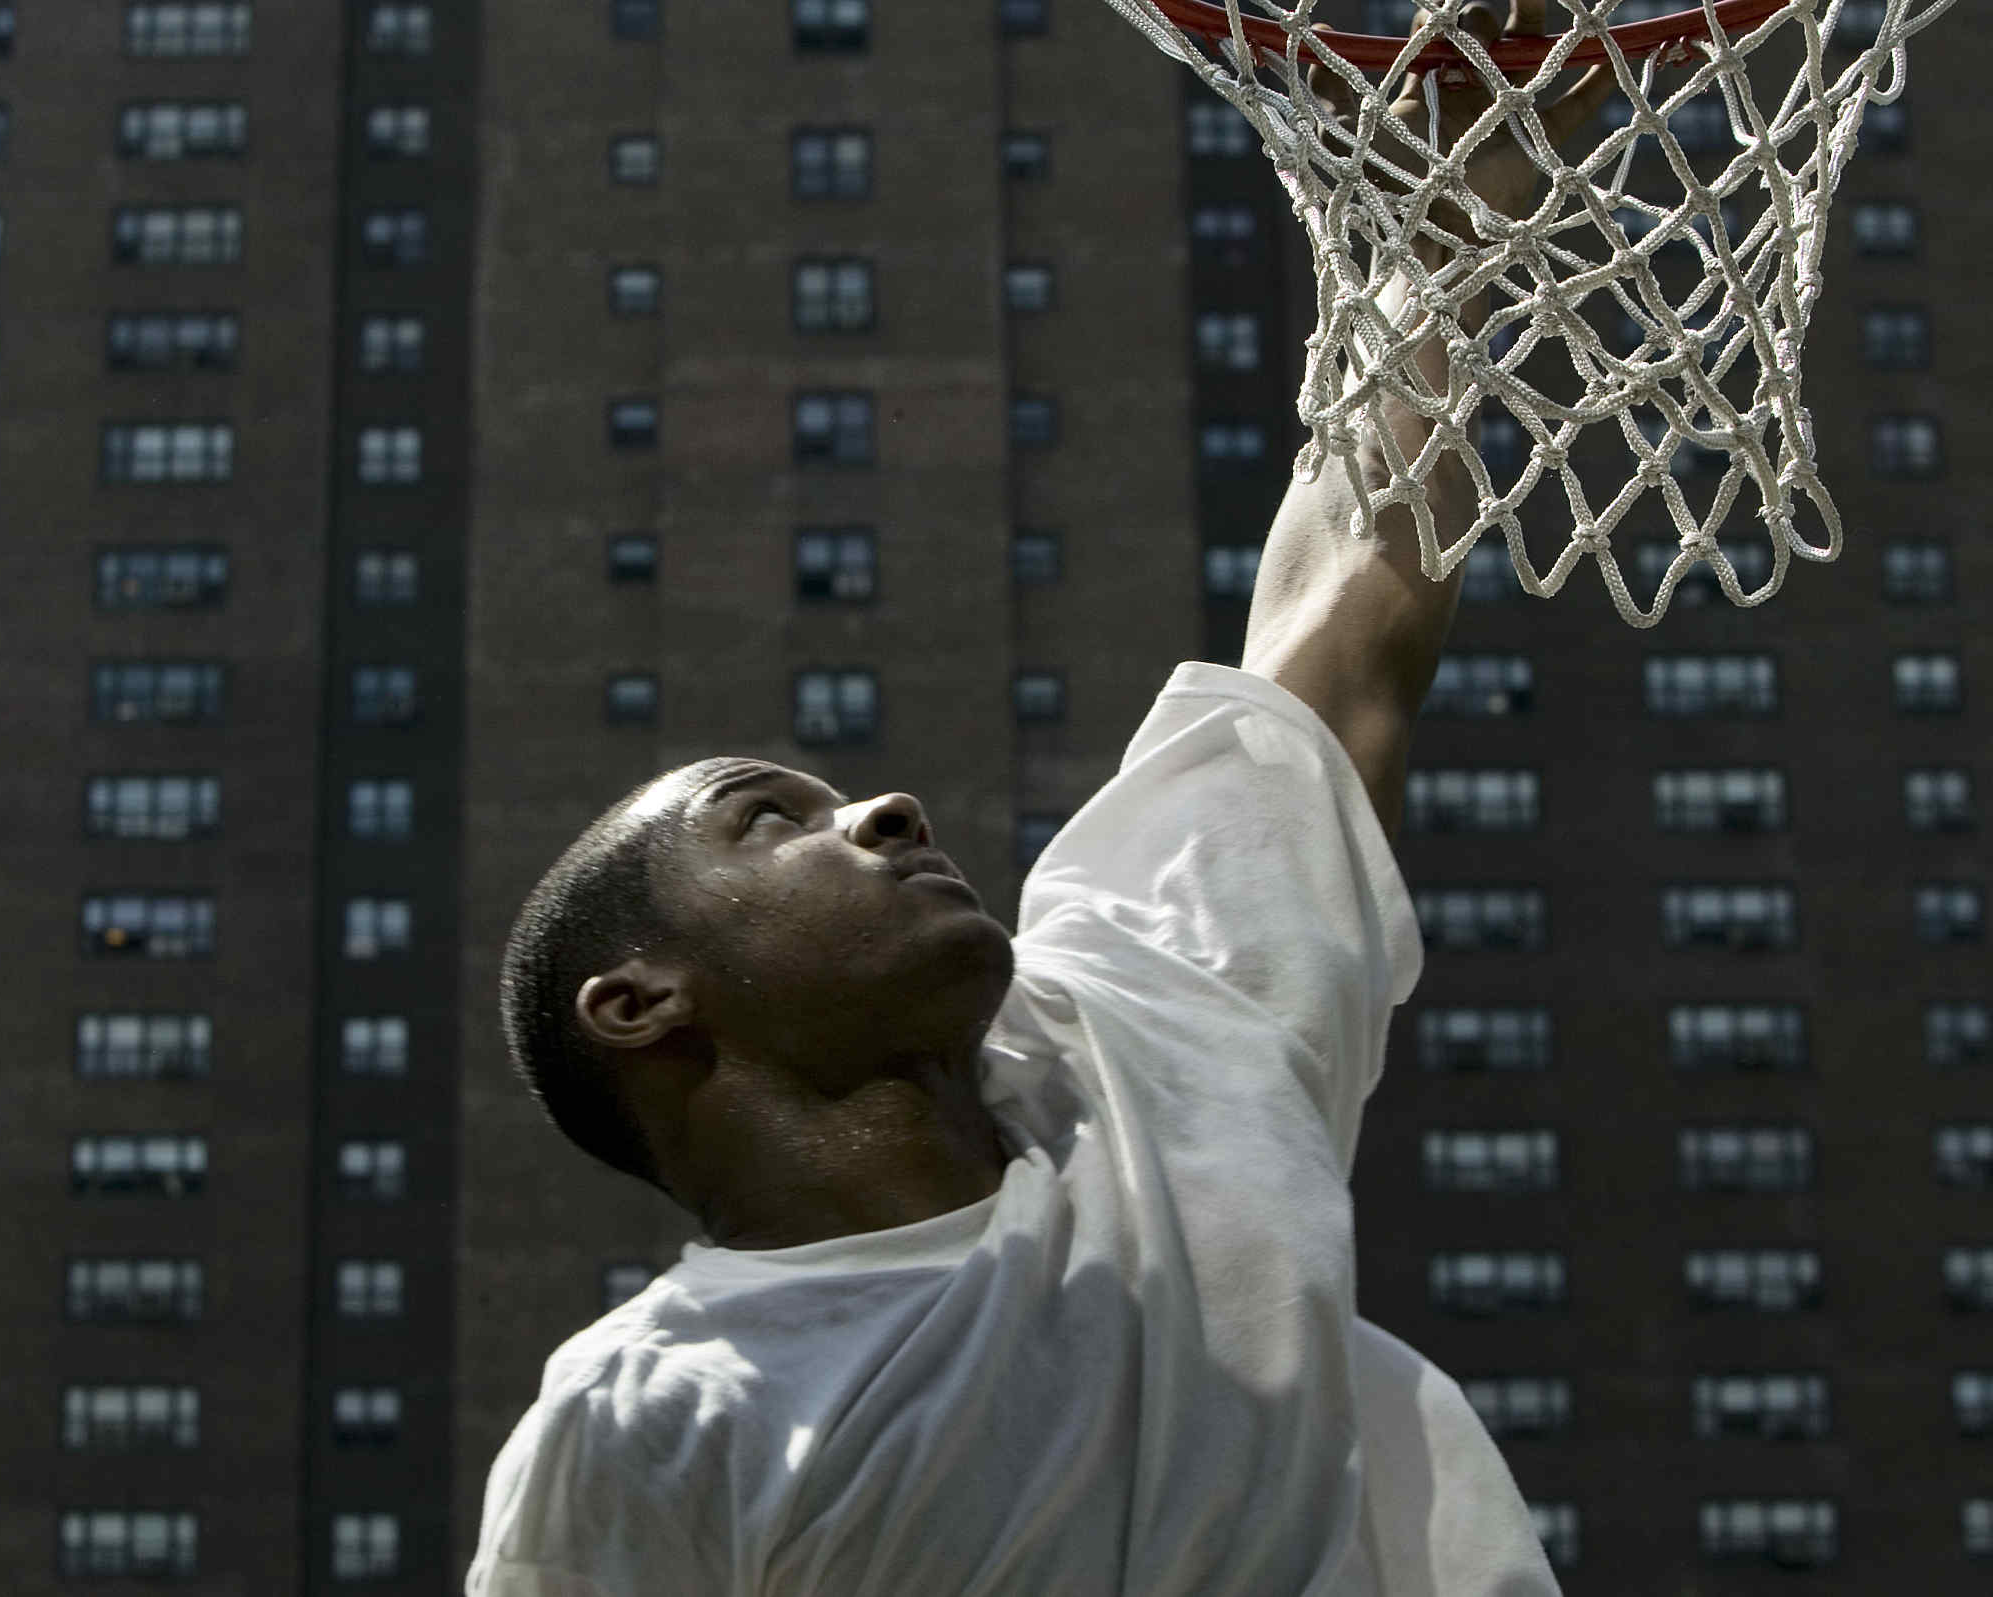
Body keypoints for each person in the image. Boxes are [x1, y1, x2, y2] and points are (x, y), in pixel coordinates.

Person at [471, 3, 1613, 1590]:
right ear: (640, 999)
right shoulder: (644, 1416)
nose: (878, 812)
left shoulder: (1143, 1039)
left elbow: (1338, 638)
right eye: (768, 820)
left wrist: (1460, 209)